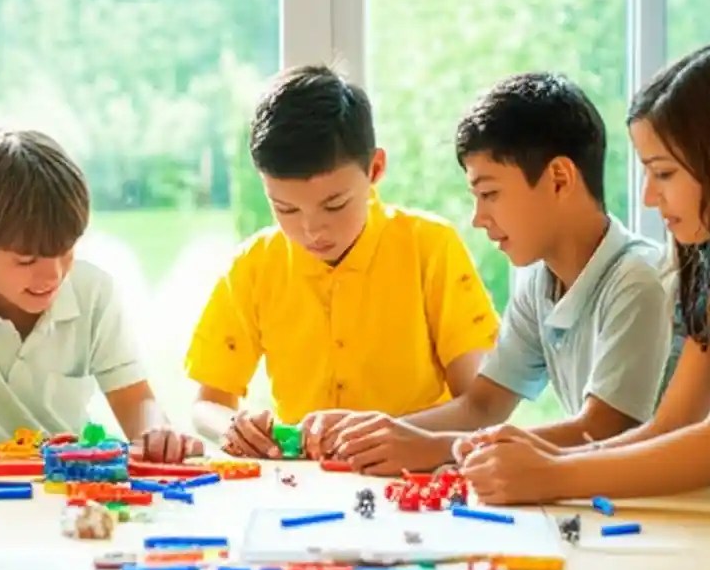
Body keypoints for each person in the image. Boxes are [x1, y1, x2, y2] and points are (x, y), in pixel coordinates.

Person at [460, 42, 710, 538]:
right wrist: (547, 454)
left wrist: (551, 474)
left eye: (664, 173)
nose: (648, 196)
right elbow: (673, 425)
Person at [302, 72, 672, 477]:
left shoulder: (638, 280)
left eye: (490, 194)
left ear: (559, 179)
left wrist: (440, 448)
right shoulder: (540, 285)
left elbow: (601, 430)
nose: (479, 219)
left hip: (702, 520)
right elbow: (480, 406)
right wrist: (375, 433)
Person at [185, 64, 499, 459]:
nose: (312, 230)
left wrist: (390, 433)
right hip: (304, 482)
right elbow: (207, 402)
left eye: (334, 204)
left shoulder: (430, 247)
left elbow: (480, 406)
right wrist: (232, 426)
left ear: (375, 169)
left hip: (414, 480)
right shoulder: (254, 265)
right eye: (285, 208)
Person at [0, 128, 200, 482]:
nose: (53, 276)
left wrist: (157, 431)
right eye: (27, 260)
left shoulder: (94, 291)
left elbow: (137, 402)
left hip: (64, 487)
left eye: (66, 252)